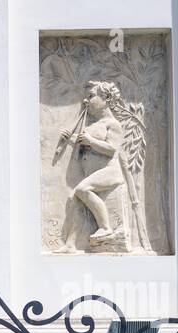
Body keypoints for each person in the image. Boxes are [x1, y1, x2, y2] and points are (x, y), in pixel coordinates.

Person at [61, 80, 127, 243]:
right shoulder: (96, 124)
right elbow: (85, 142)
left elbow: (111, 149)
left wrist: (90, 141)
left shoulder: (113, 124)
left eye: (91, 96)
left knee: (82, 189)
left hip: (110, 172)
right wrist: (71, 139)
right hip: (95, 174)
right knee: (73, 198)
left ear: (105, 99)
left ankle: (105, 228)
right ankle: (70, 244)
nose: (86, 100)